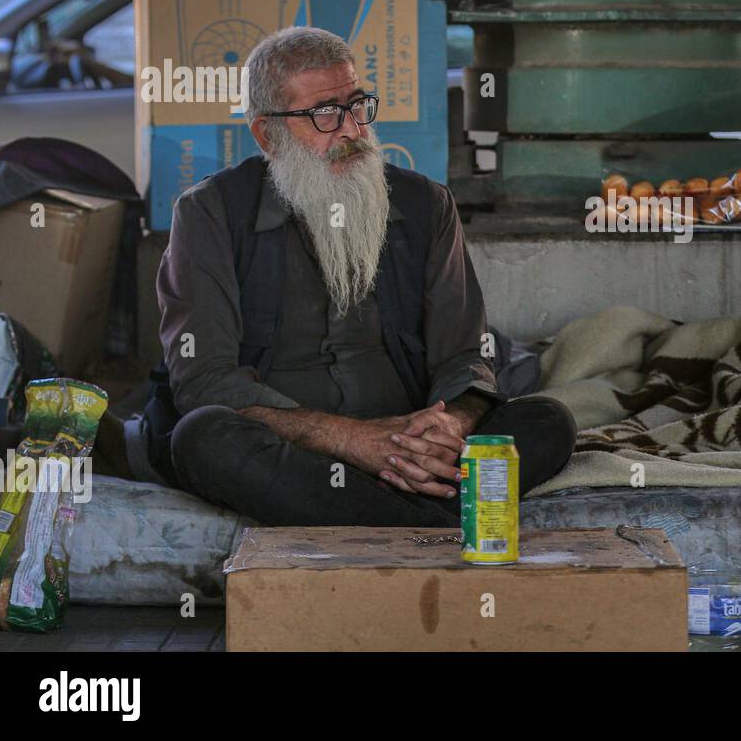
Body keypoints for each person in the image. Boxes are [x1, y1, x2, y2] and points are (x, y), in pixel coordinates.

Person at [151, 26, 575, 526]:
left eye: (357, 105)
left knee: (549, 420)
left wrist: (447, 428)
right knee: (203, 436)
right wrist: (354, 441)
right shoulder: (211, 213)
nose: (352, 130)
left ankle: (388, 513)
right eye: (324, 114)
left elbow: (466, 355)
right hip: (295, 453)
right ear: (268, 134)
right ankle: (435, 521)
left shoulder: (424, 205)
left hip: (414, 446)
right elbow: (206, 380)